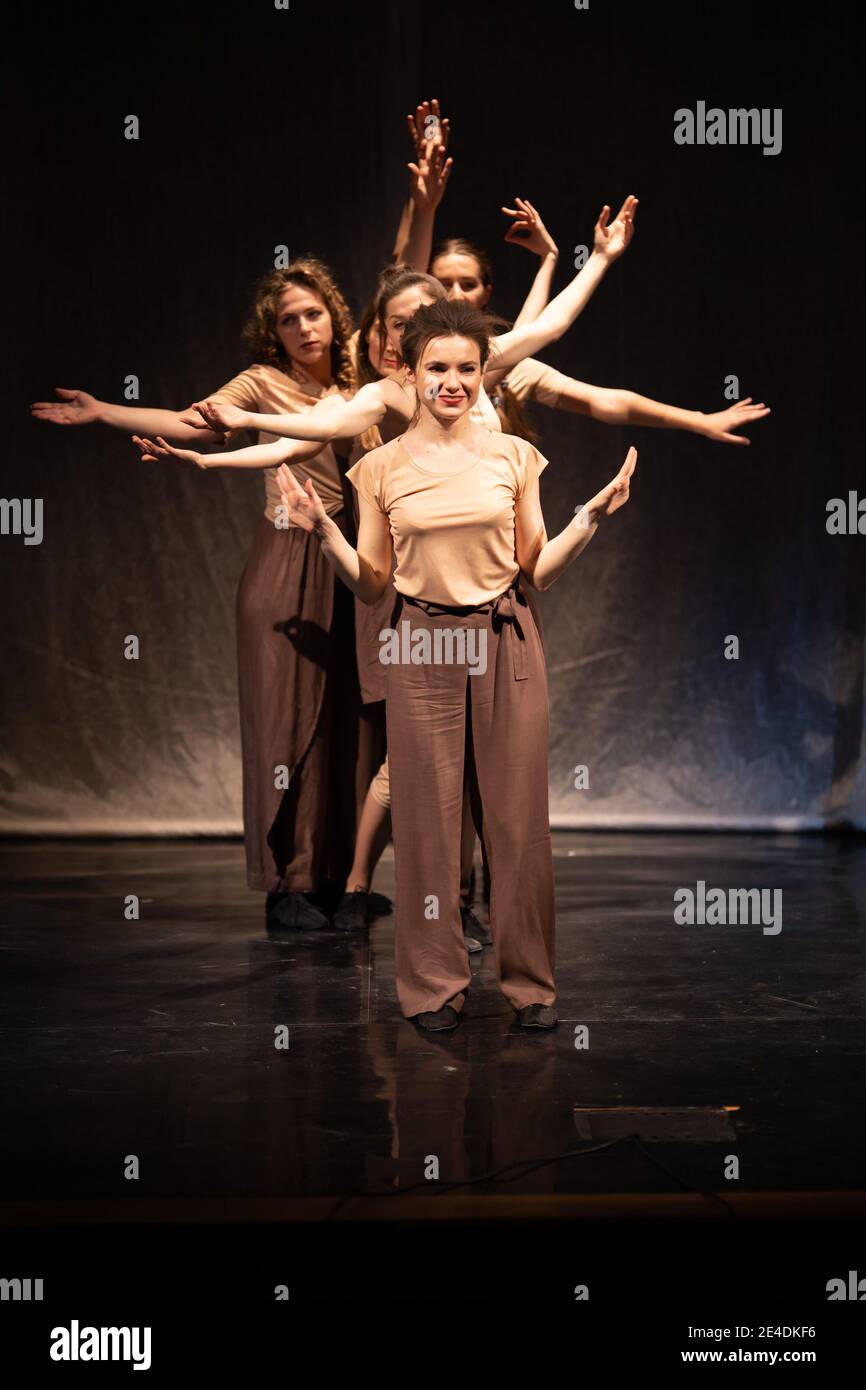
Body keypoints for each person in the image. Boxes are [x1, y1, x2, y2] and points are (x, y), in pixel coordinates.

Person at [273, 296, 637, 1030]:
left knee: (517, 823)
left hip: (504, 636)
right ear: (410, 372)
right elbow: (373, 582)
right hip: (421, 641)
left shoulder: (513, 455)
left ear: (481, 373)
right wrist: (323, 535)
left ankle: (530, 985)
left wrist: (587, 521)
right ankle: (434, 985)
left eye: (466, 368)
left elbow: (537, 568)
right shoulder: (377, 468)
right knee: (429, 824)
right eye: (437, 366)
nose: (452, 381)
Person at [31, 258, 382, 931]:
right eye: (288, 319)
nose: (304, 326)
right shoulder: (262, 382)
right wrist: (104, 410)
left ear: (335, 316)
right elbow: (196, 422)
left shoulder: (359, 382)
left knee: (345, 724)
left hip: (351, 564)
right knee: (289, 726)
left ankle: (333, 877)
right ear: (272, 333)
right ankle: (288, 885)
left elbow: (406, 270)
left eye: (313, 312)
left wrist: (423, 204)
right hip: (287, 562)